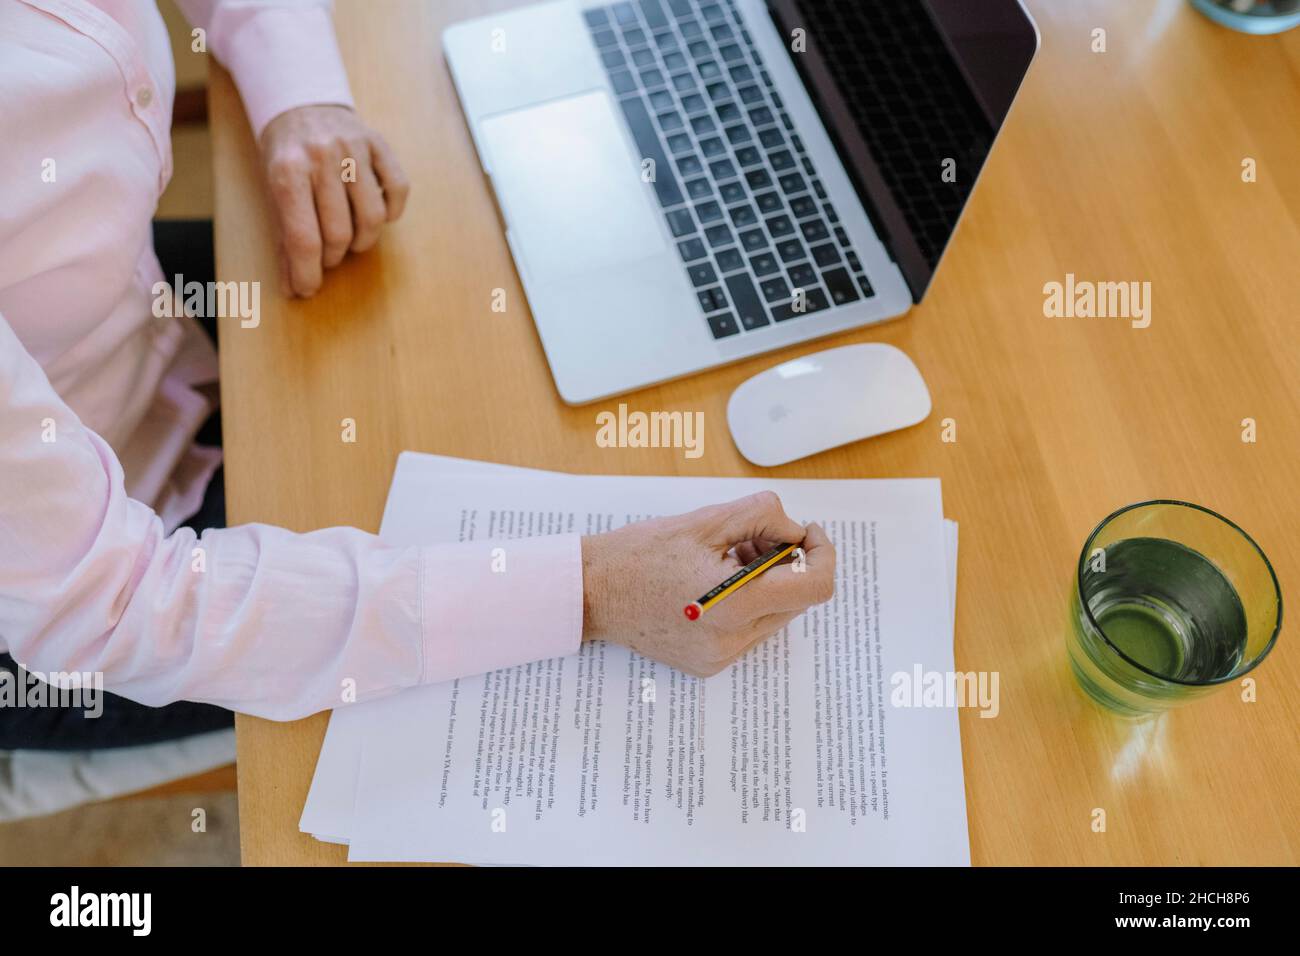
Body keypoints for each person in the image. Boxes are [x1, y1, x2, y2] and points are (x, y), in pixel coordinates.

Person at [0, 0, 835, 748]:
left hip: (125, 335)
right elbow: (113, 608)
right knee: (467, 663)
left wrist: (300, 93)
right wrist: (590, 593)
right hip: (61, 626)